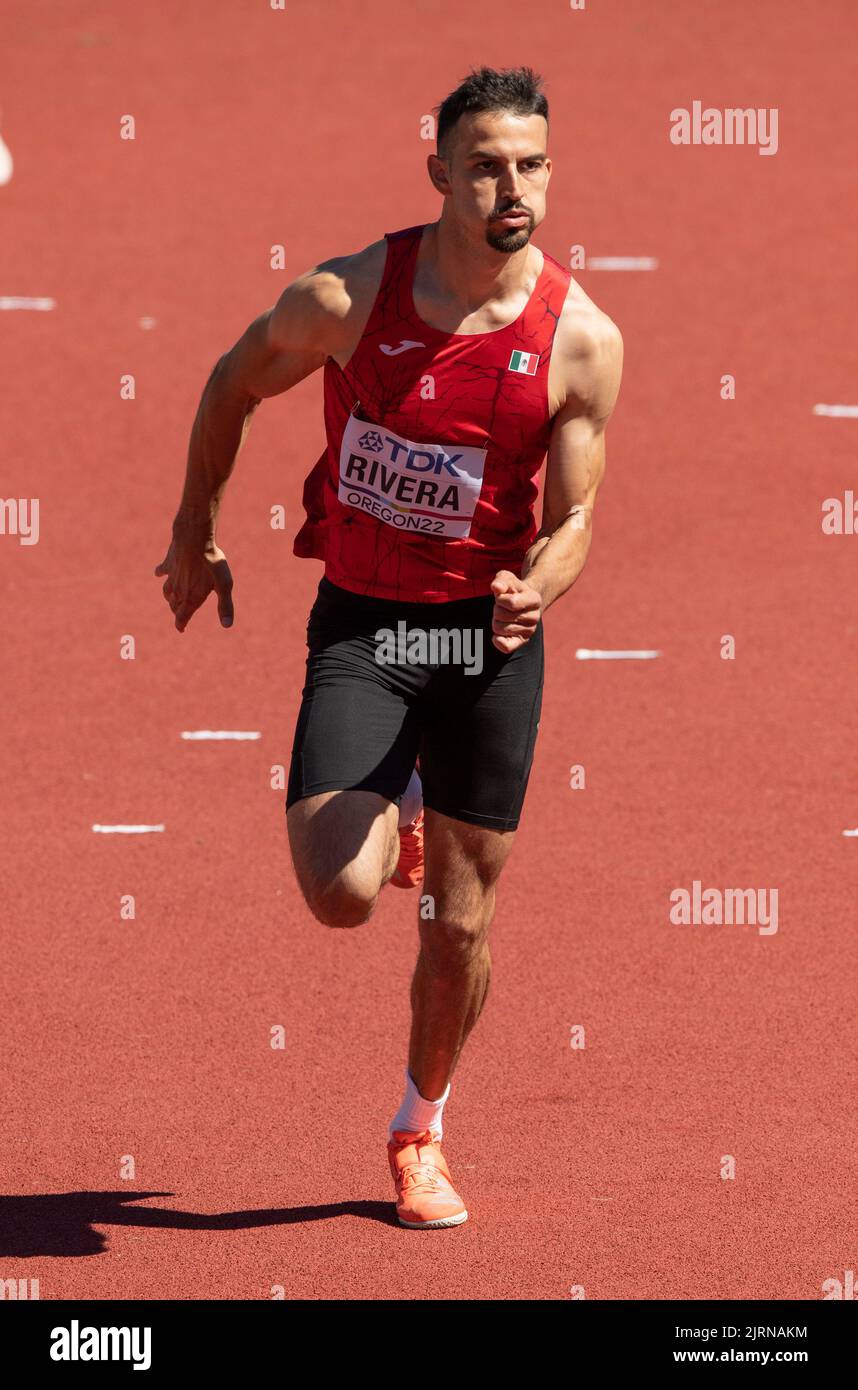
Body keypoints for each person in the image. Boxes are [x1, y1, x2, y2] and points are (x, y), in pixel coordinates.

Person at [155, 65, 623, 1229]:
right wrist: (193, 534)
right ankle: (394, 794)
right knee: (344, 892)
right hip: (369, 625)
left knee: (461, 920)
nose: (510, 187)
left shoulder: (581, 341)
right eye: (484, 166)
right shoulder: (351, 296)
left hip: (488, 643)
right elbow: (232, 381)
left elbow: (573, 520)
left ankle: (421, 1125)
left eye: (530, 164)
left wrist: (540, 588)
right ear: (440, 176)